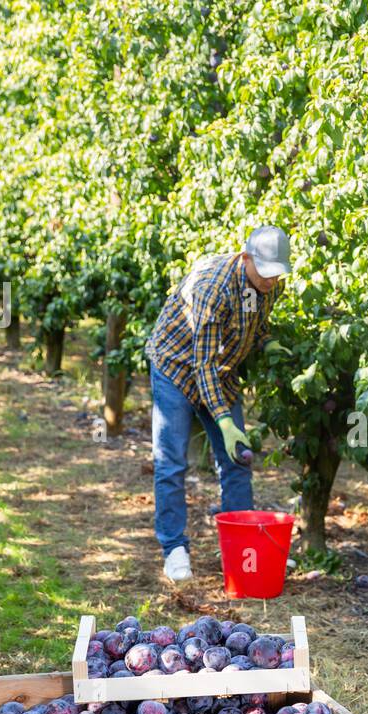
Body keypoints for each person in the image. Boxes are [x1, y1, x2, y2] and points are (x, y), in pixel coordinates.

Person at [145, 225, 293, 583]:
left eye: (278, 272)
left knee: (237, 459)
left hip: (220, 369)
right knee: (171, 461)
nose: (272, 279)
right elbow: (203, 365)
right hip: (176, 368)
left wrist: (266, 343)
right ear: (245, 259)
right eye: (266, 271)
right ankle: (174, 548)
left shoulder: (269, 283)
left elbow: (254, 326)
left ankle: (243, 550)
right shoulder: (212, 288)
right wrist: (225, 421)